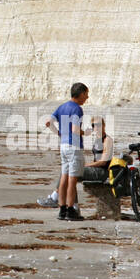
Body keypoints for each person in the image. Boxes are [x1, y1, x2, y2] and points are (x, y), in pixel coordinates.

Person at [44, 83, 89, 220]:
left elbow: (48, 122)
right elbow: (75, 130)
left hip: (63, 145)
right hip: (74, 147)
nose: (87, 97)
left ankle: (62, 209)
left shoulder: (62, 107)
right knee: (72, 180)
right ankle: (70, 210)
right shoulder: (77, 109)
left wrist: (58, 133)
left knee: (64, 177)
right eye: (86, 94)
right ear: (80, 94)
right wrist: (85, 133)